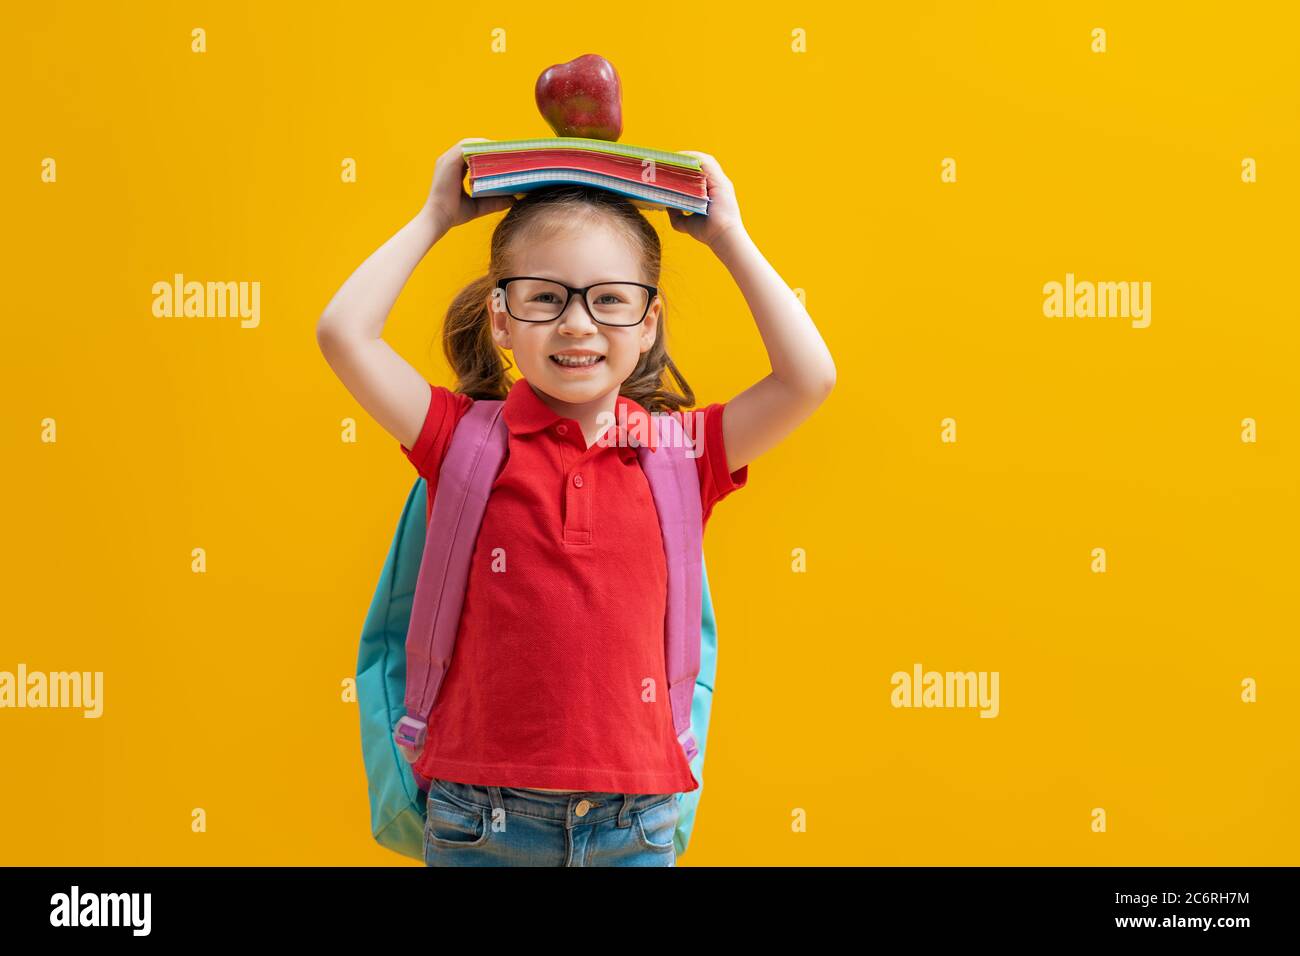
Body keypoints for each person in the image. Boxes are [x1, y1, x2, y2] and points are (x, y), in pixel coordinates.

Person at [316, 138, 836, 865]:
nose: (577, 324)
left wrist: (729, 238)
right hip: (478, 820)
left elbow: (808, 377)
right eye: (545, 297)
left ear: (648, 323)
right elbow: (343, 333)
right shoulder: (459, 439)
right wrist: (436, 216)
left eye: (610, 300)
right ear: (501, 319)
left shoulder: (680, 453)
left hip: (637, 824)